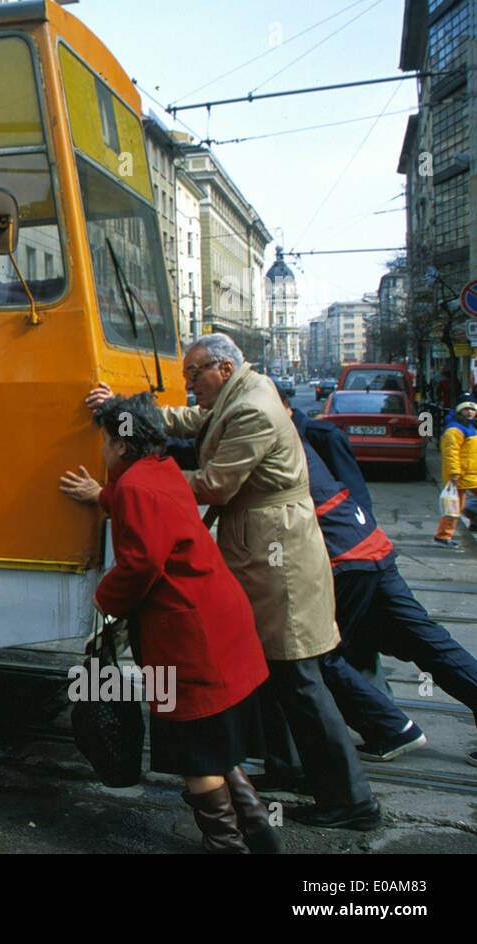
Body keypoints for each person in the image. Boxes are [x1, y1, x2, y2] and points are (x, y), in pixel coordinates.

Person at [86, 332, 380, 830]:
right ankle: (287, 769)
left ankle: (352, 800)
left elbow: (217, 481)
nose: (188, 384)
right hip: (259, 550)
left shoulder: (253, 409)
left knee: (301, 677)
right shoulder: (240, 393)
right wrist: (124, 409)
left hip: (277, 556)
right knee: (277, 672)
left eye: (194, 373)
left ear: (222, 368)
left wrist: (145, 478)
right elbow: (188, 420)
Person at [59, 393, 276, 854]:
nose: (101, 450)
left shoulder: (135, 485)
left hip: (188, 639)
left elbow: (140, 563)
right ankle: (259, 828)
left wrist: (102, 600)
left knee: (193, 751)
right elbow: (151, 509)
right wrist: (100, 495)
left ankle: (226, 844)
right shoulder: (161, 471)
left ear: (120, 445)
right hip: (219, 621)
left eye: (104, 440)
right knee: (214, 741)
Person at [282, 398, 477, 767]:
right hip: (365, 558)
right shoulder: (297, 432)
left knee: (323, 651)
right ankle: (384, 725)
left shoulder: (320, 434)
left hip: (351, 558)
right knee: (425, 641)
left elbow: (356, 496)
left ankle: (388, 727)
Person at [435, 400, 476, 547]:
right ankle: (443, 535)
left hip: (471, 474)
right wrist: (454, 473)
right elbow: (450, 453)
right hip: (460, 475)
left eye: (472, 410)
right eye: (466, 410)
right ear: (459, 412)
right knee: (454, 507)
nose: (470, 412)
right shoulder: (454, 429)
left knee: (456, 506)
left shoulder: (470, 427)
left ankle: (444, 534)